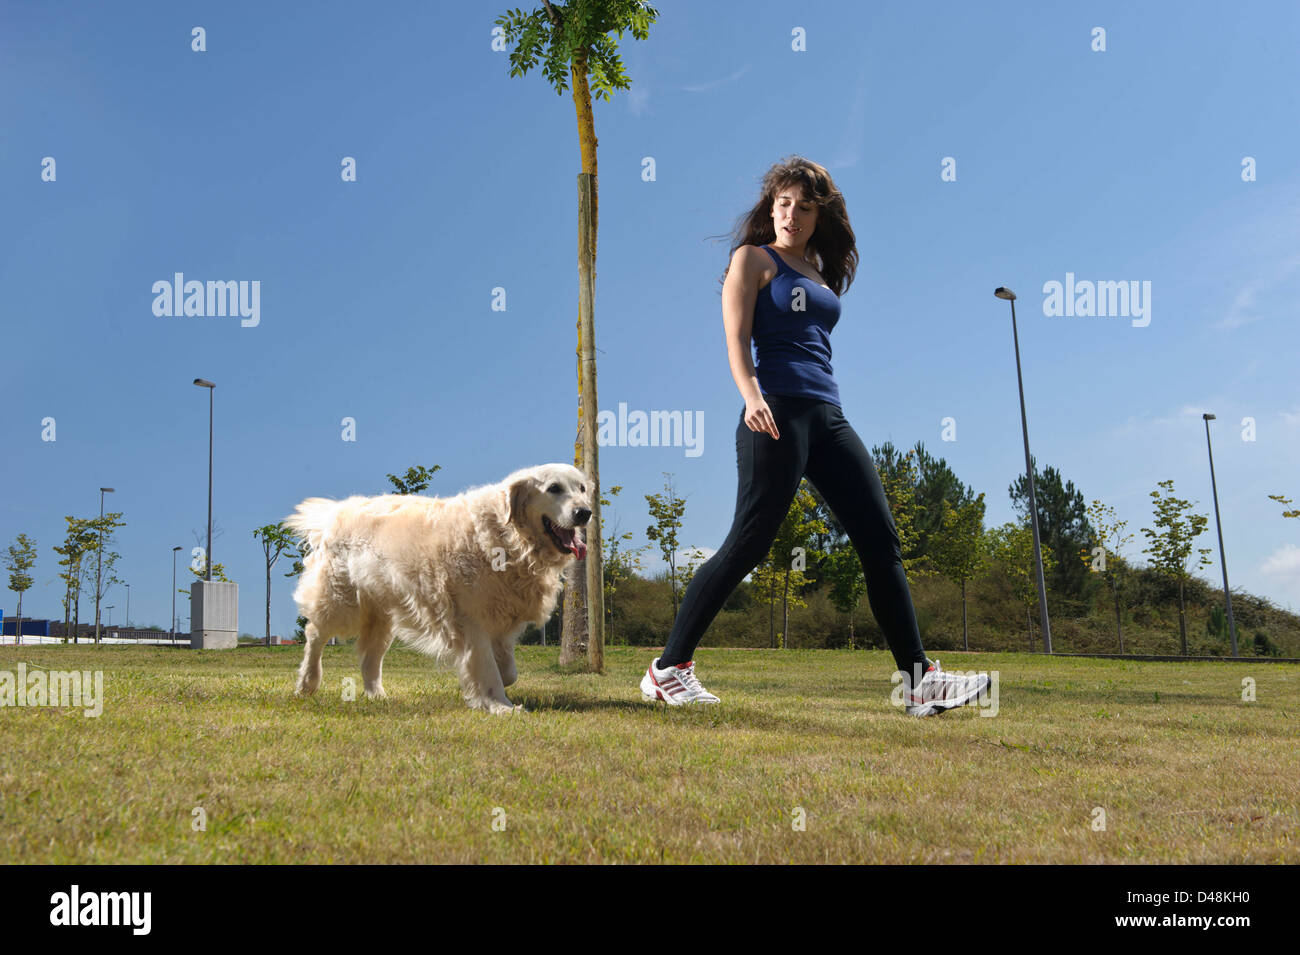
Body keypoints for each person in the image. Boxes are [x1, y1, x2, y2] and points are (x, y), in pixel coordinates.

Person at [639, 156, 989, 717]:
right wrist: (752, 397)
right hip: (774, 411)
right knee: (748, 542)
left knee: (881, 541)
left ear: (817, 214)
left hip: (829, 416)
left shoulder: (821, 271)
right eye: (784, 204)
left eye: (805, 206)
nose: (793, 215)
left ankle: (919, 682)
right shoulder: (752, 259)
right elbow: (736, 338)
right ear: (769, 206)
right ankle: (668, 669)